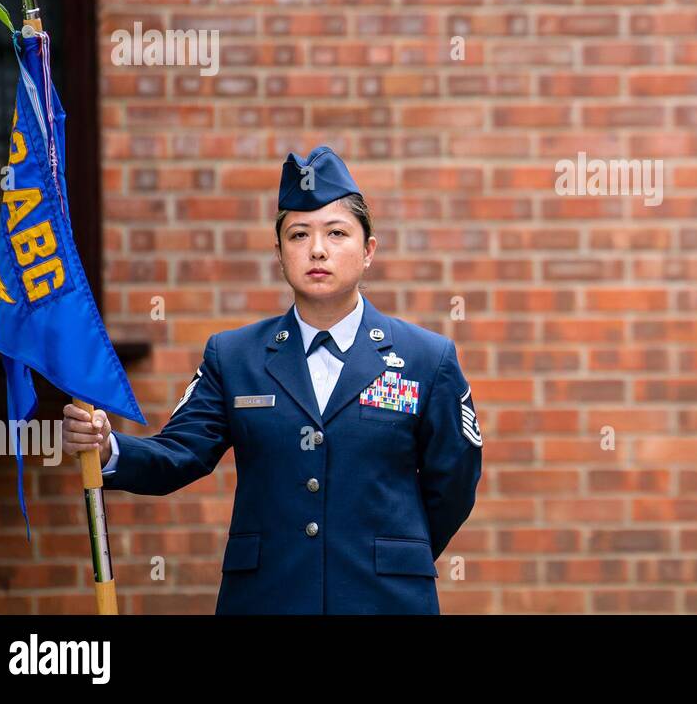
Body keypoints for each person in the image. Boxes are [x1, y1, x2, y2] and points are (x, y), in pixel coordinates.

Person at [62, 145, 483, 614]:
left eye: (337, 233)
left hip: (385, 600)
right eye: (299, 234)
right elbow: (180, 454)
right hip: (267, 599)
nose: (317, 249)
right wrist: (108, 448)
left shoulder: (426, 358)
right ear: (279, 254)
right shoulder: (235, 357)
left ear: (368, 251)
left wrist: (398, 552)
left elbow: (455, 483)